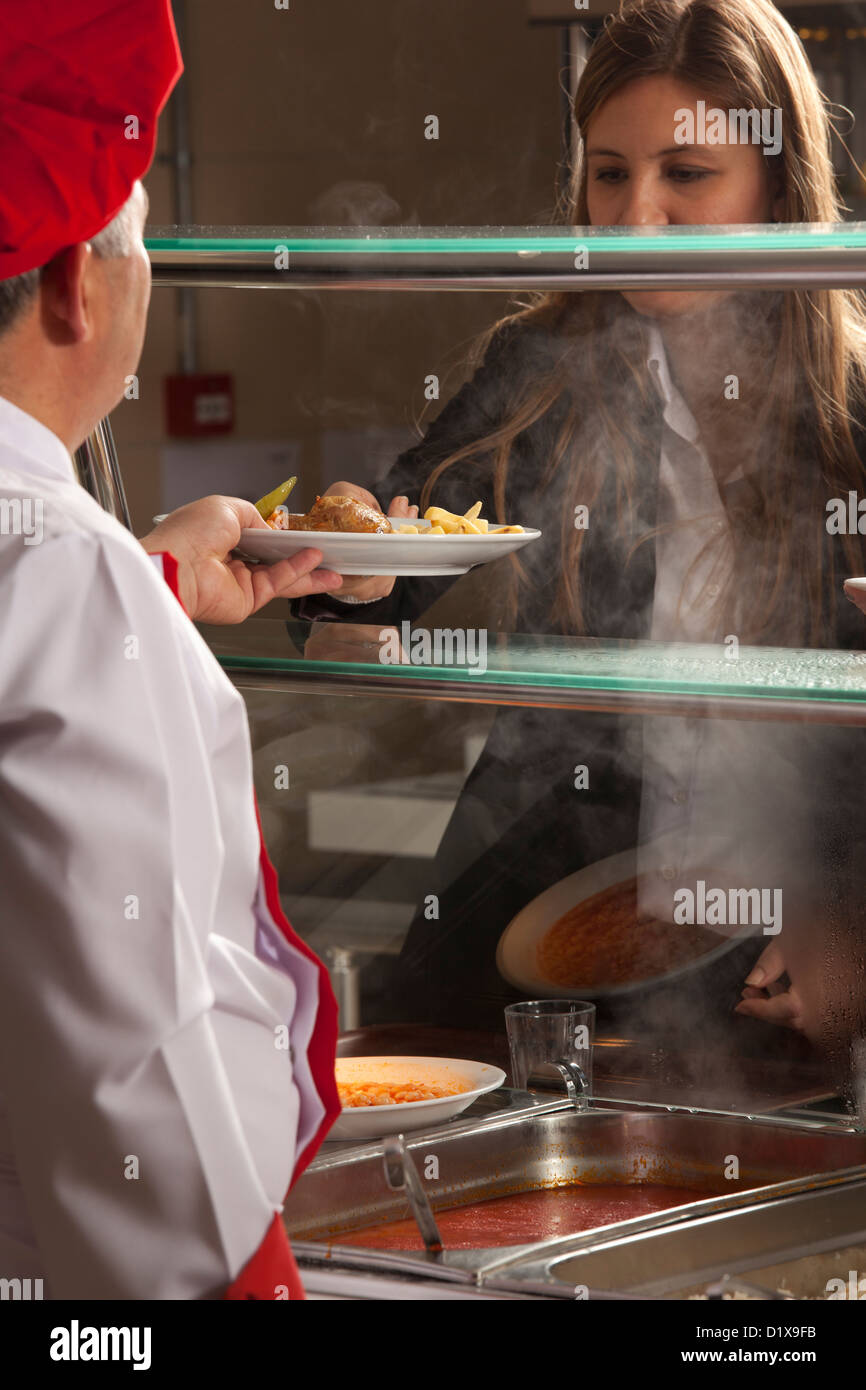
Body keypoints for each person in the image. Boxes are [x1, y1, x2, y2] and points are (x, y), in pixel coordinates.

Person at [298, 0, 866, 1056]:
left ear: (775, 186)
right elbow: (391, 549)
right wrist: (349, 575)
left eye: (685, 176)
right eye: (609, 173)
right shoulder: (539, 366)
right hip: (548, 918)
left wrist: (852, 914)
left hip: (783, 946)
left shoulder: (854, 407)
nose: (633, 214)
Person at [0, 0, 344, 1299]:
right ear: (74, 286)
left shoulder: (74, 579)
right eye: (136, 237)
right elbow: (137, 1092)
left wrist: (143, 587)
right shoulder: (66, 579)